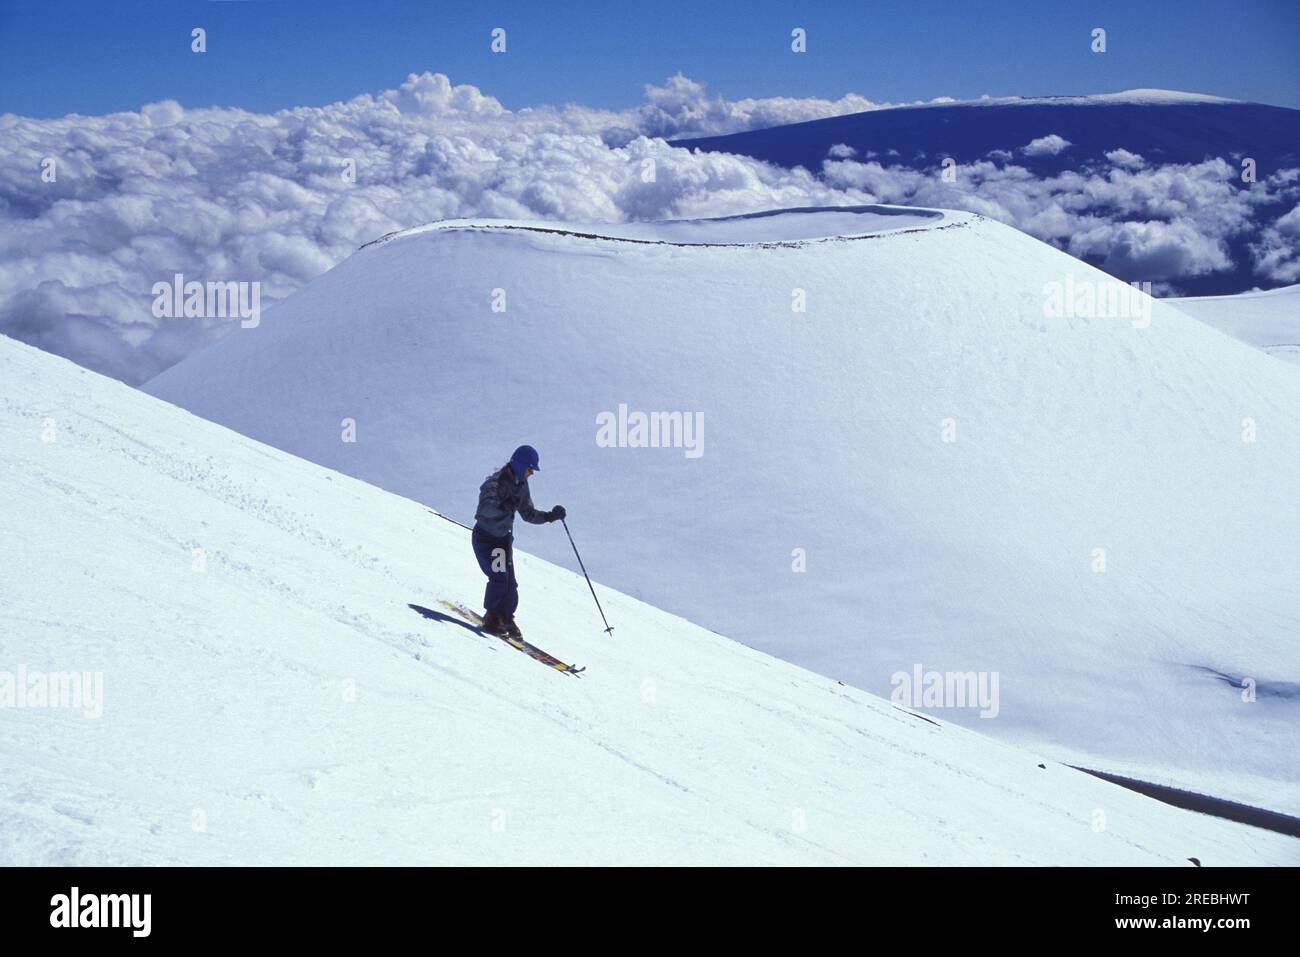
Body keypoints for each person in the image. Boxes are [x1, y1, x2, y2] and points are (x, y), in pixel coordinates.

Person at [472, 445, 565, 638]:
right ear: (521, 465)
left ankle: (505, 617)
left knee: (510, 583)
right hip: (487, 539)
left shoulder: (521, 486)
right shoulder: (496, 482)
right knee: (499, 578)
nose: (531, 473)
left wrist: (549, 516)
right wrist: (502, 505)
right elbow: (484, 510)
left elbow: (528, 513)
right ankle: (492, 617)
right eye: (530, 469)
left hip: (503, 541)